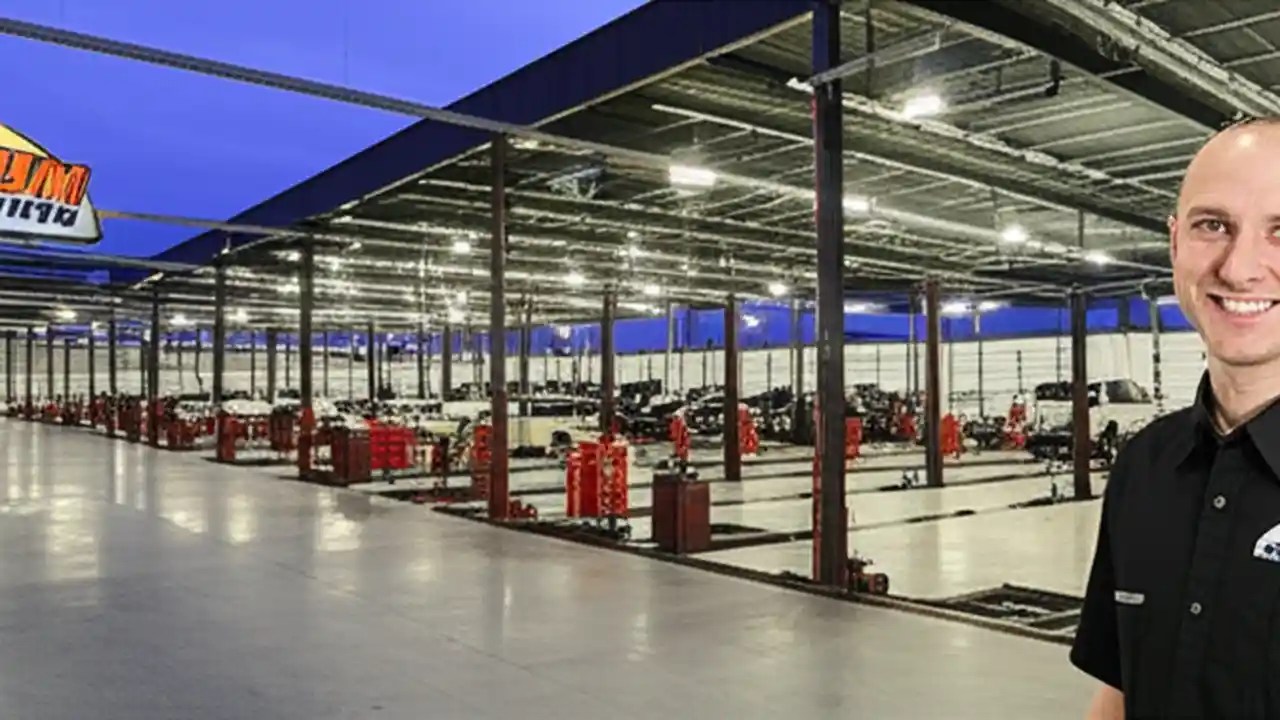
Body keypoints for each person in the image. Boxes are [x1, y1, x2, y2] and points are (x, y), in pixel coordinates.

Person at [1071, 117, 1280, 719]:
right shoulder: (1144, 466)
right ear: (1175, 243)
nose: (1240, 269)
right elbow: (1121, 686)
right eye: (1213, 225)